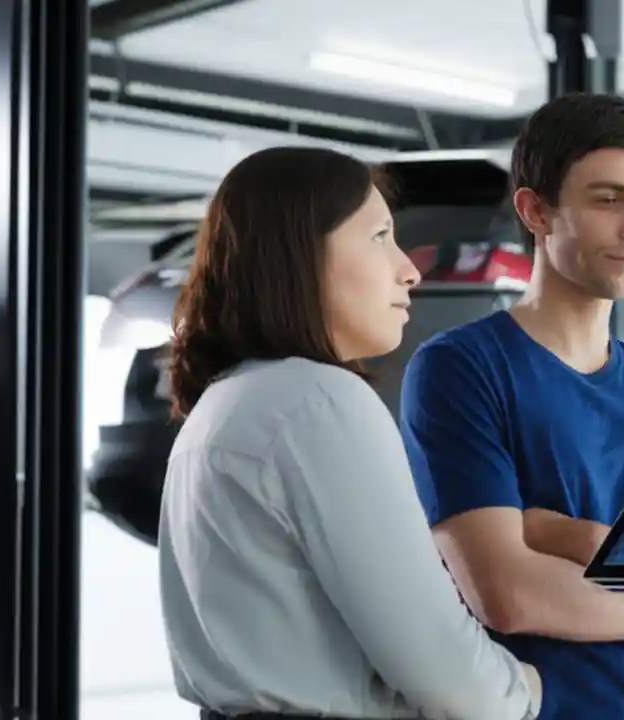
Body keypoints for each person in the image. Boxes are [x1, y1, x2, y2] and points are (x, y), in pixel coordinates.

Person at [159, 146, 542, 720]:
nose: (408, 268)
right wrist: (527, 688)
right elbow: (446, 671)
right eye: (379, 237)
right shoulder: (317, 402)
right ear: (301, 256)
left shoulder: (223, 403)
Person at [399, 93, 624, 720]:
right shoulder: (460, 370)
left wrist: (565, 533)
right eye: (609, 200)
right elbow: (510, 594)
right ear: (536, 211)